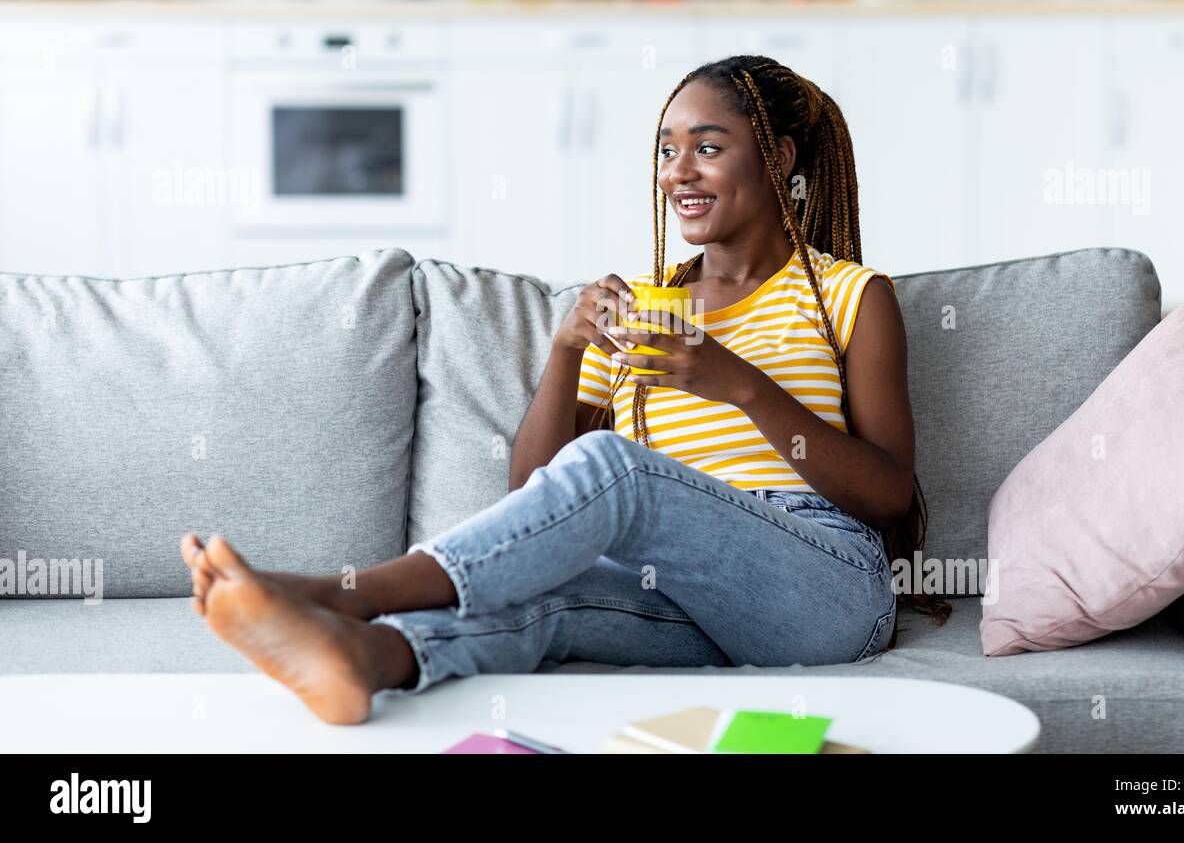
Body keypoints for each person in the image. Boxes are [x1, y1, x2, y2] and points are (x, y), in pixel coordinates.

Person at [179, 54, 950, 726]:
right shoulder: (651, 308)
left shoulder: (848, 294)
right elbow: (536, 496)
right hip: (695, 599)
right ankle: (363, 658)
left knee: (618, 467)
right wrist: (565, 348)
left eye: (708, 148)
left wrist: (739, 385)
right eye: (666, 151)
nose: (678, 171)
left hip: (825, 588)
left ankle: (345, 595)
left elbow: (887, 494)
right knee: (537, 604)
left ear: (779, 156)